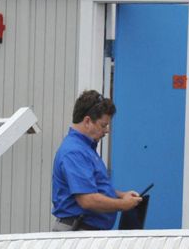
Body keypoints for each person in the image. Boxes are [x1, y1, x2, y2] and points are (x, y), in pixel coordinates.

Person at [51, 90, 143, 231]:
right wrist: (123, 204)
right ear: (87, 121)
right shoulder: (75, 152)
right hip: (78, 235)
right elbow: (87, 200)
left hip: (83, 232)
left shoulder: (84, 148)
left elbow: (94, 186)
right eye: (103, 125)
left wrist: (121, 195)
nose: (106, 131)